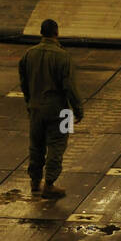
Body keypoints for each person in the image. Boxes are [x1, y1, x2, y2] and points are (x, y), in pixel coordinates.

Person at [18, 19, 84, 198]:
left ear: (41, 33)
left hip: (35, 108)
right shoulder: (63, 56)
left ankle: (34, 182)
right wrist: (78, 110)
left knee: (36, 146)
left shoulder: (28, 54)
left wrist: (29, 103)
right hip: (59, 110)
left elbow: (24, 83)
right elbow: (69, 87)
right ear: (57, 33)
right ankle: (49, 184)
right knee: (57, 145)